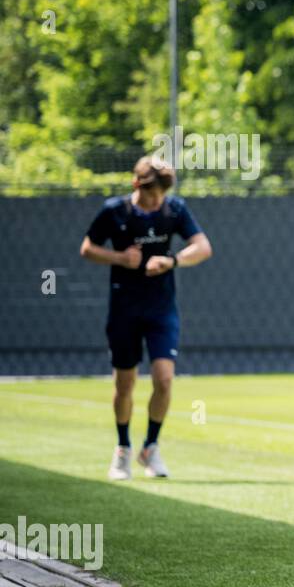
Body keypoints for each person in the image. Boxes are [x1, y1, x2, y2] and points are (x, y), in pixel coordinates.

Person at [80, 156, 212, 480]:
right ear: (136, 185)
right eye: (153, 194)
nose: (157, 201)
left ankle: (150, 448)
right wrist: (120, 258)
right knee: (124, 383)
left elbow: (203, 246)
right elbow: (87, 248)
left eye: (162, 194)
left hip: (161, 309)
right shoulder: (114, 211)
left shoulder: (175, 210)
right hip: (124, 309)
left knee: (164, 379)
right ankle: (122, 449)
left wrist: (173, 261)